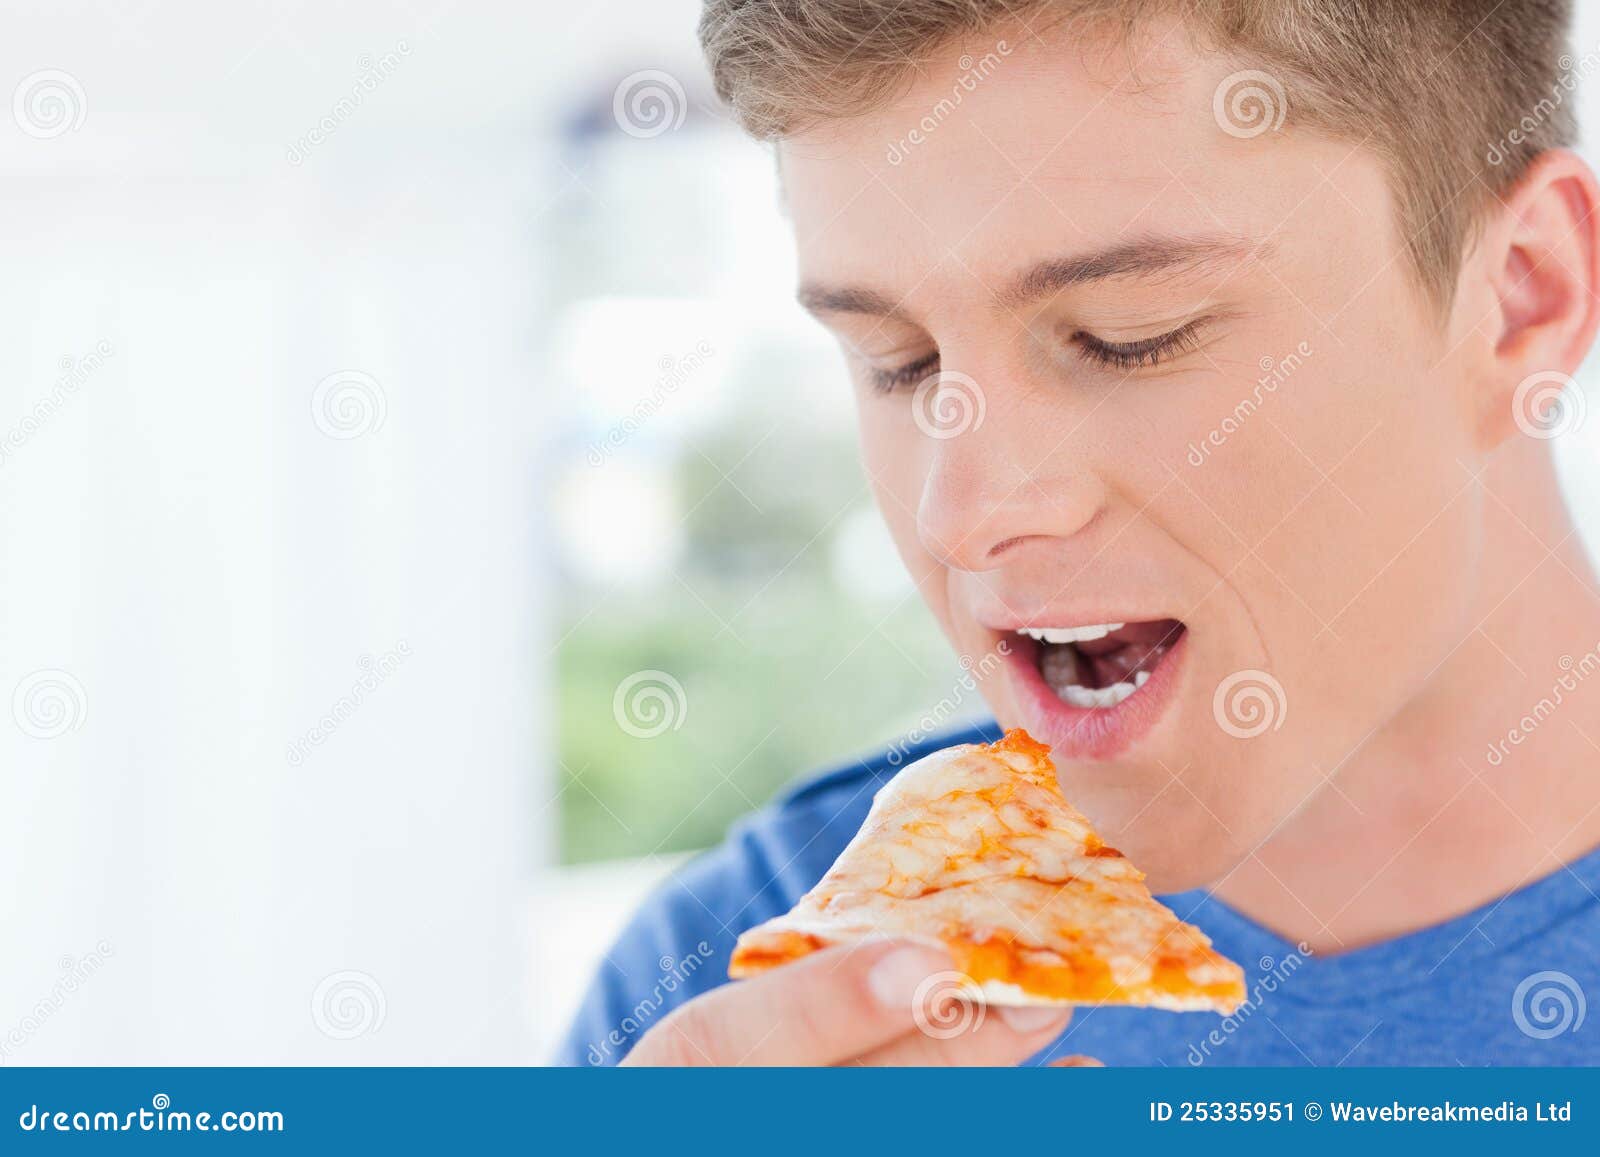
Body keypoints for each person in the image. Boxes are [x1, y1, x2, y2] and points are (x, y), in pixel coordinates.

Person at [559, 0, 1600, 1066]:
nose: (961, 515)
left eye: (1127, 339)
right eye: (897, 362)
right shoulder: (726, 1003)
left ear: (1524, 296)